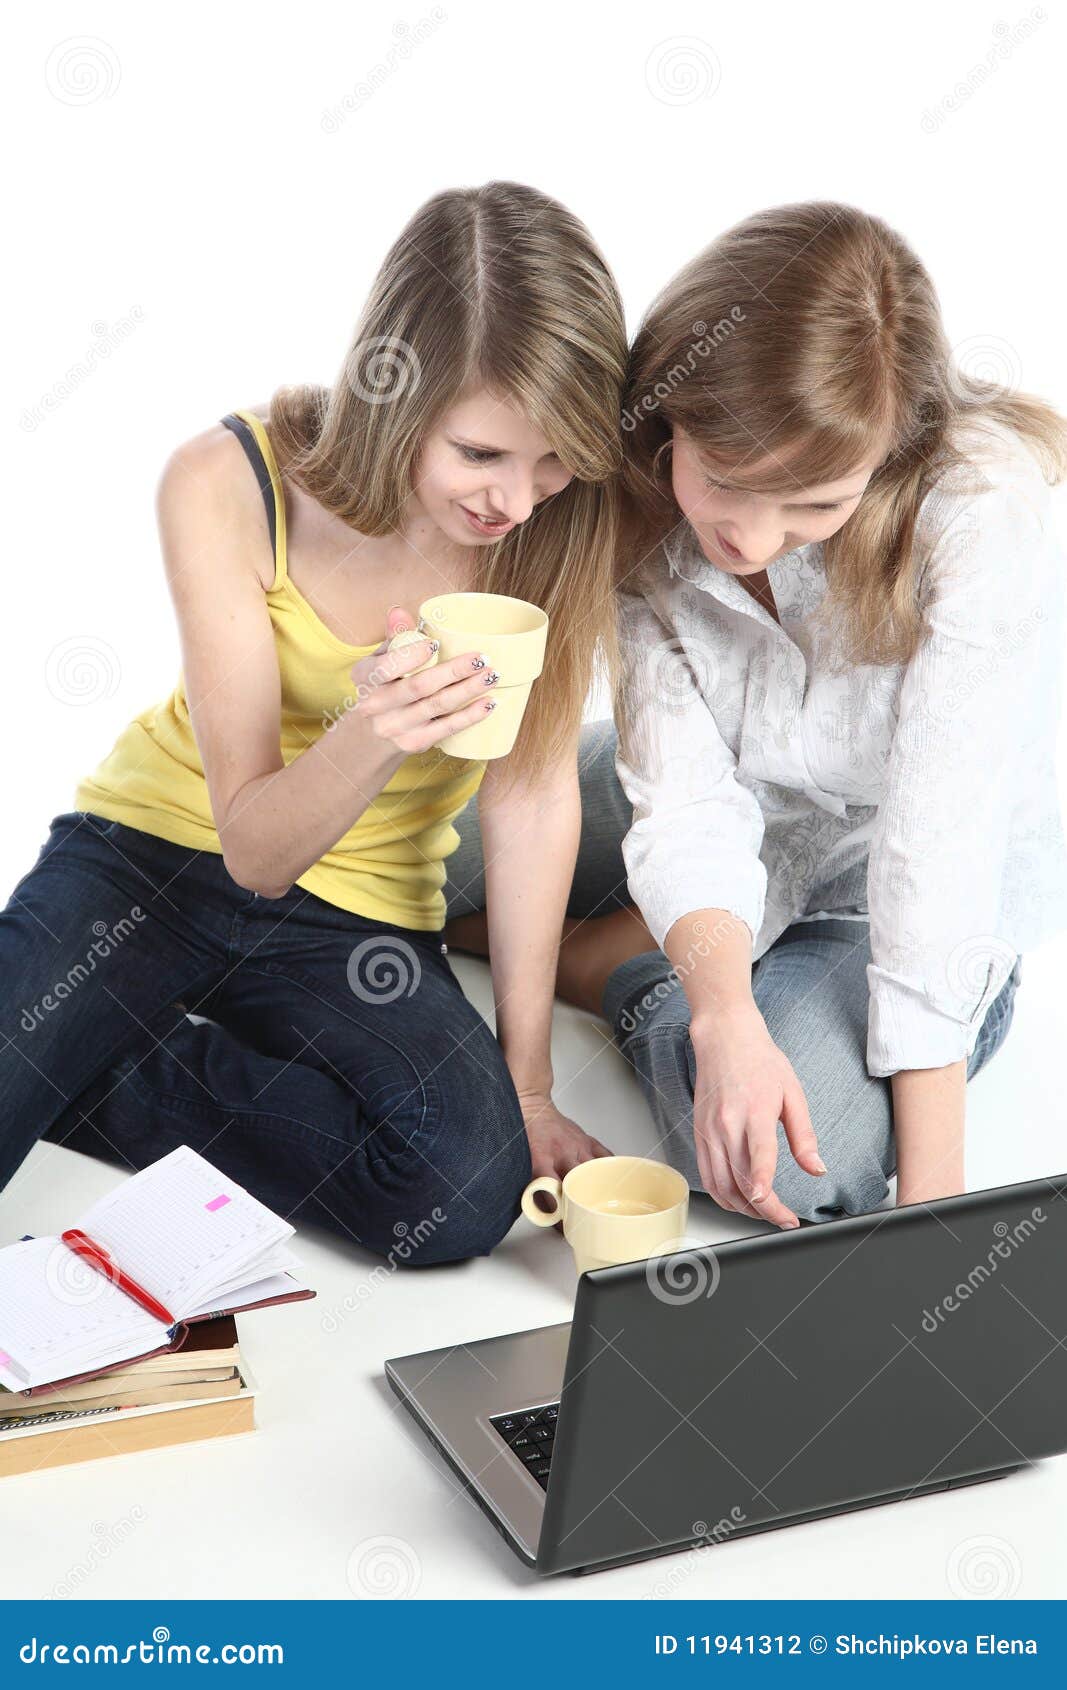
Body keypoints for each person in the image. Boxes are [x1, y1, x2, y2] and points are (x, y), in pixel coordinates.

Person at [0, 181, 625, 1265]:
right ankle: (58, 1038)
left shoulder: (556, 526)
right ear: (396, 394)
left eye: (552, 459)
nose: (514, 502)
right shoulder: (226, 480)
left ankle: (93, 1069)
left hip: (356, 914)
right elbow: (253, 849)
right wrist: (370, 730)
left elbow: (527, 794)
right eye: (479, 453)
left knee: (465, 1188)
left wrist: (527, 1084)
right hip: (147, 859)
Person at [444, 201, 1067, 1230]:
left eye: (814, 505)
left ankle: (615, 966)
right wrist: (725, 1014)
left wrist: (931, 1215)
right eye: (724, 479)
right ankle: (623, 939)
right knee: (413, 837)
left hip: (883, 882)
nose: (749, 533)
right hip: (726, 785)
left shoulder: (979, 511)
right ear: (673, 413)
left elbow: (935, 850)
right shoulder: (641, 503)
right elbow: (683, 797)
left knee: (786, 1162)